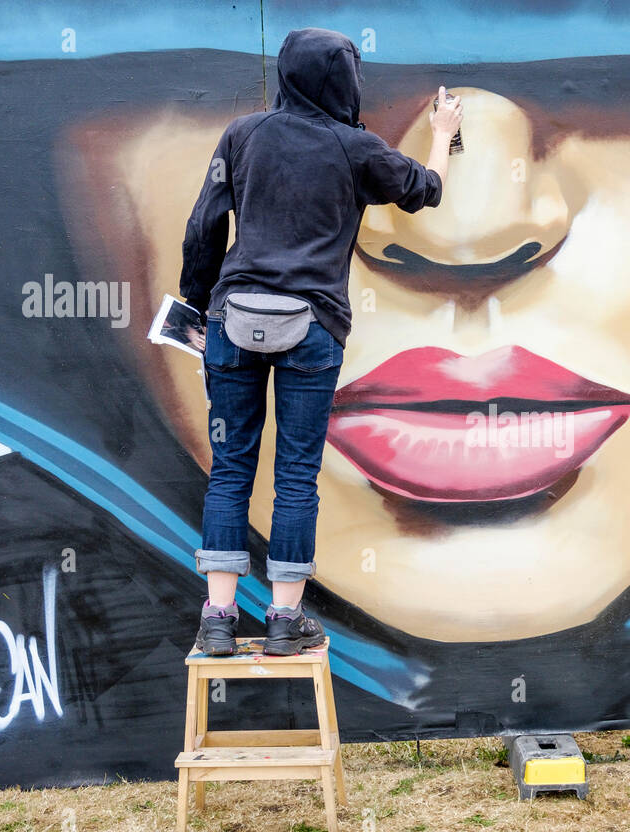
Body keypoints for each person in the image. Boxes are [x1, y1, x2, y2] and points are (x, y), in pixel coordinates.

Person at [178, 27, 463, 656]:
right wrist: (443, 132)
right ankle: (284, 622)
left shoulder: (242, 135)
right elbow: (427, 190)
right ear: (345, 80)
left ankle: (218, 620)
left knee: (230, 470)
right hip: (311, 327)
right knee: (296, 477)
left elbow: (203, 228)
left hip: (234, 321)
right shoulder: (355, 148)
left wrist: (194, 307)